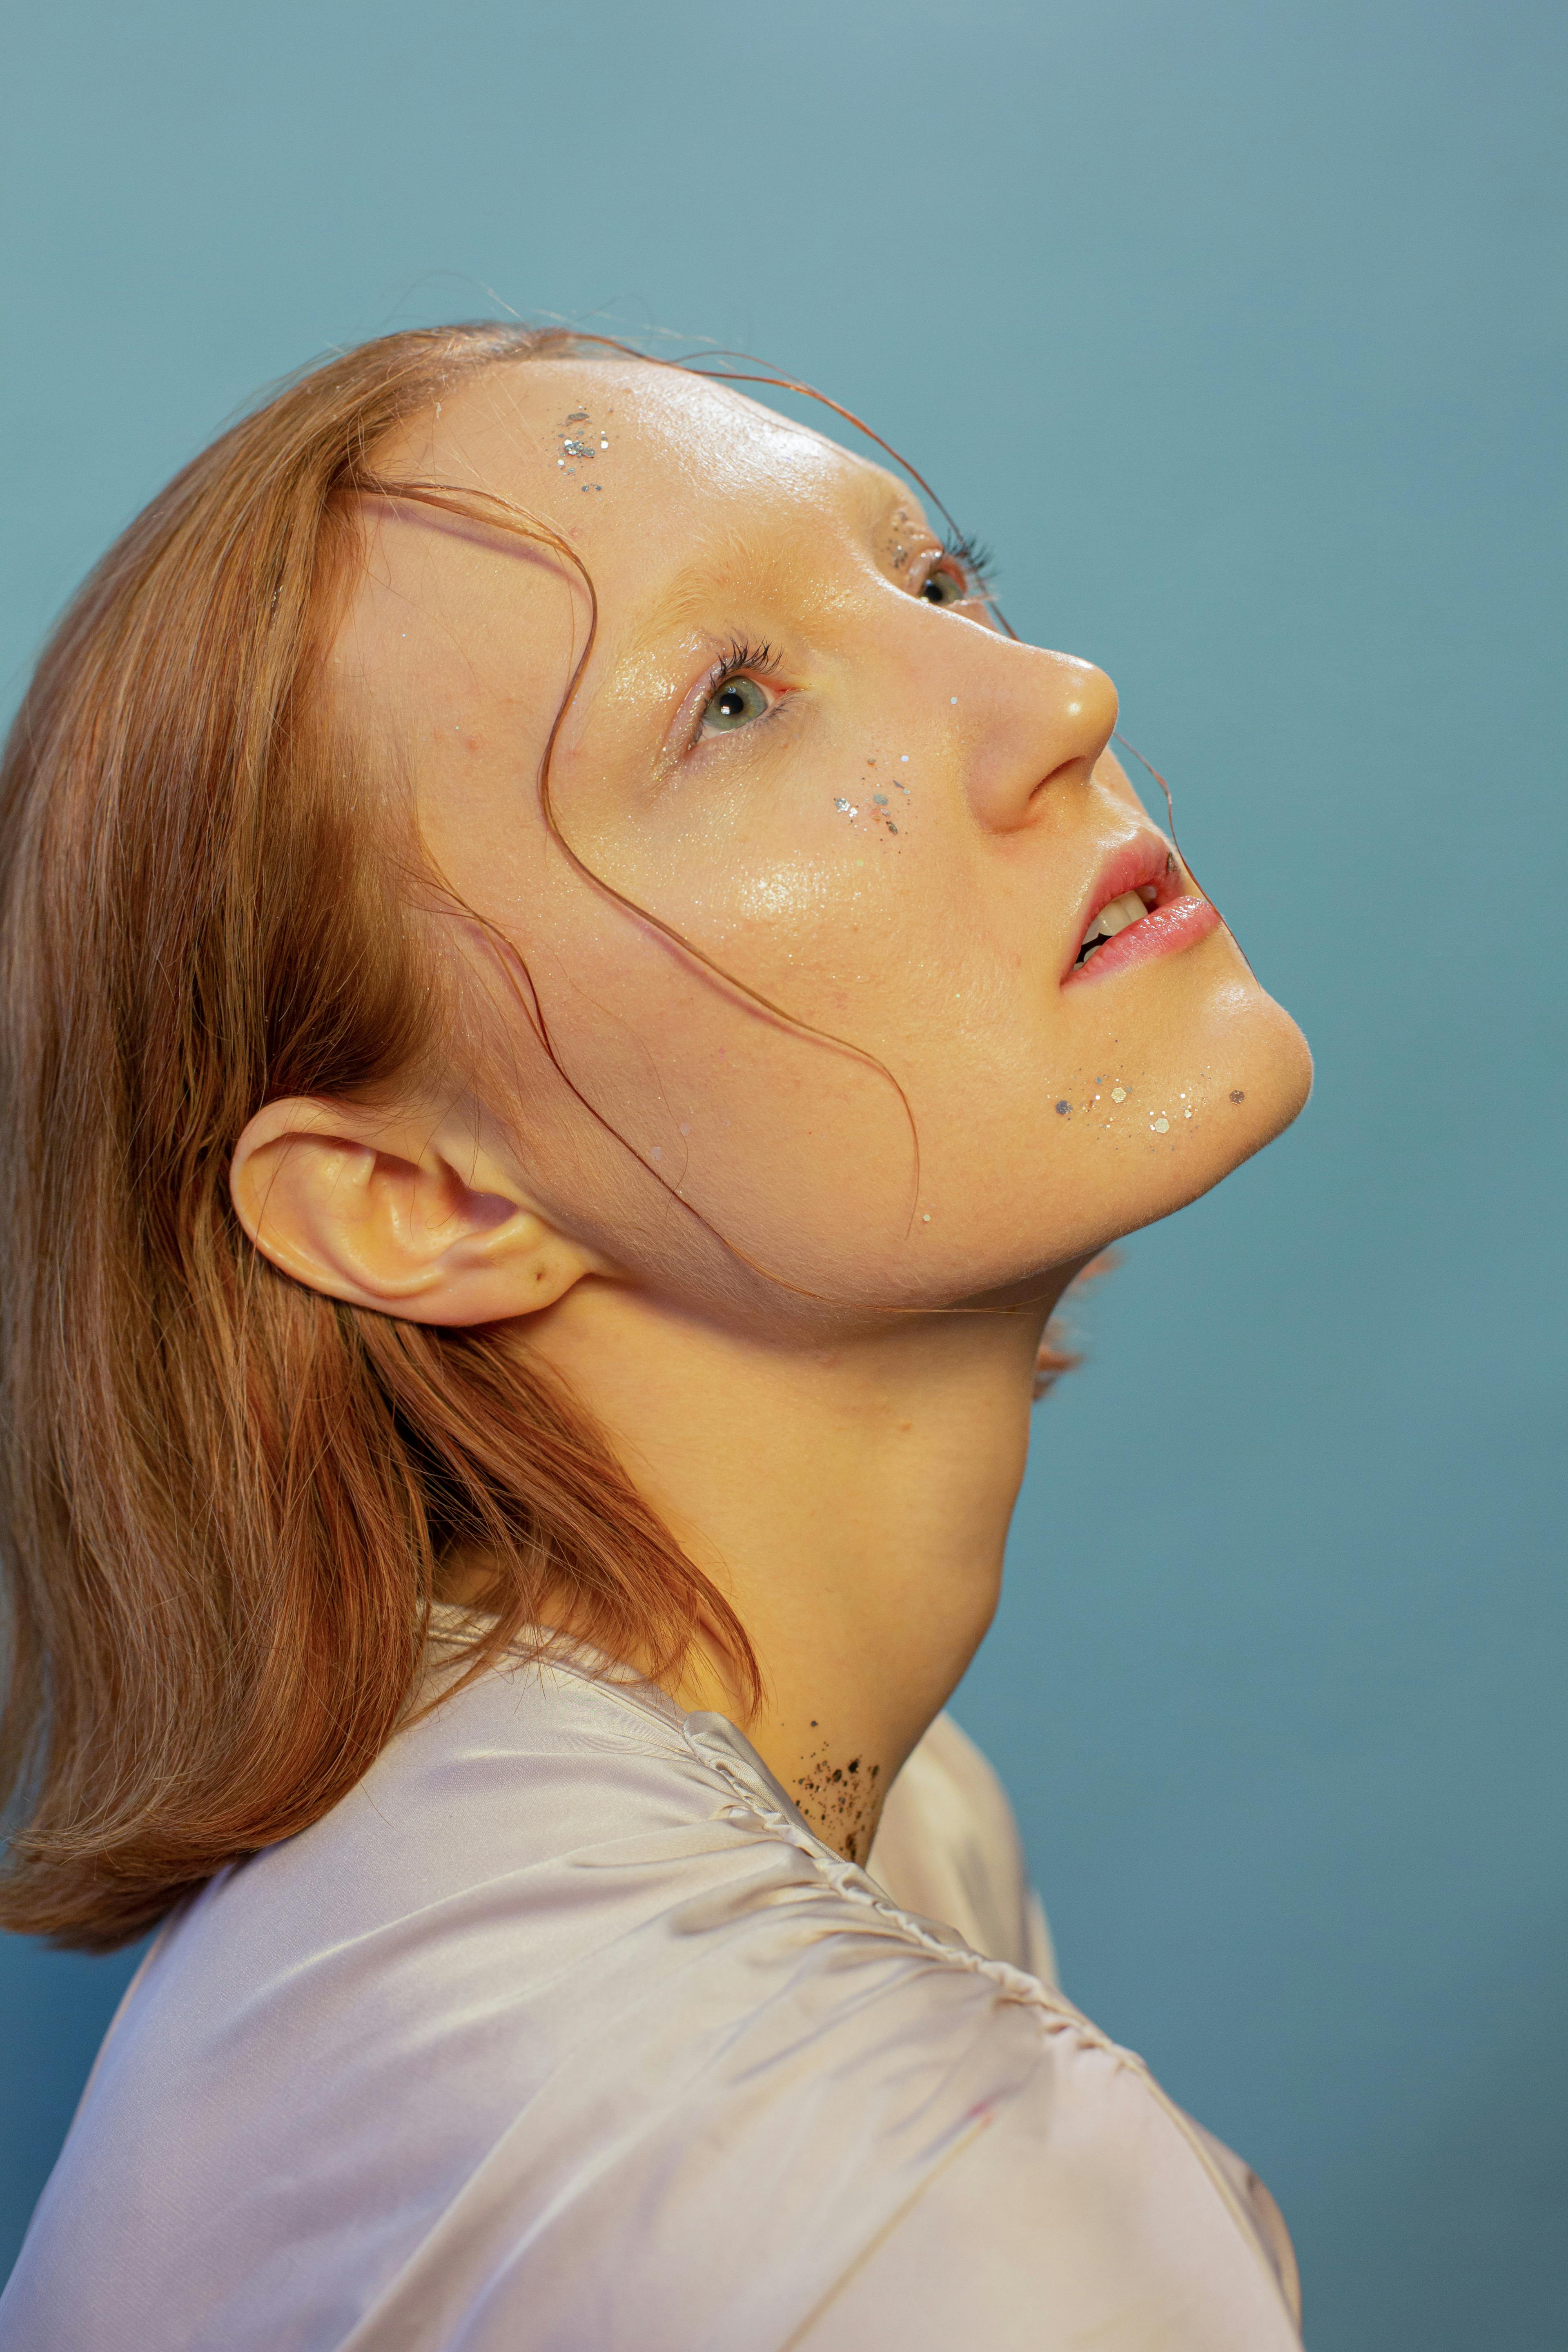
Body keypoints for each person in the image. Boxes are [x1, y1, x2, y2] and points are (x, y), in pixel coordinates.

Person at [0, 322, 1313, 2348]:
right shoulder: (912, 2195)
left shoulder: (856, 1836)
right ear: (420, 1202)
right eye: (729, 707)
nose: (1059, 698)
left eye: (939, 580)